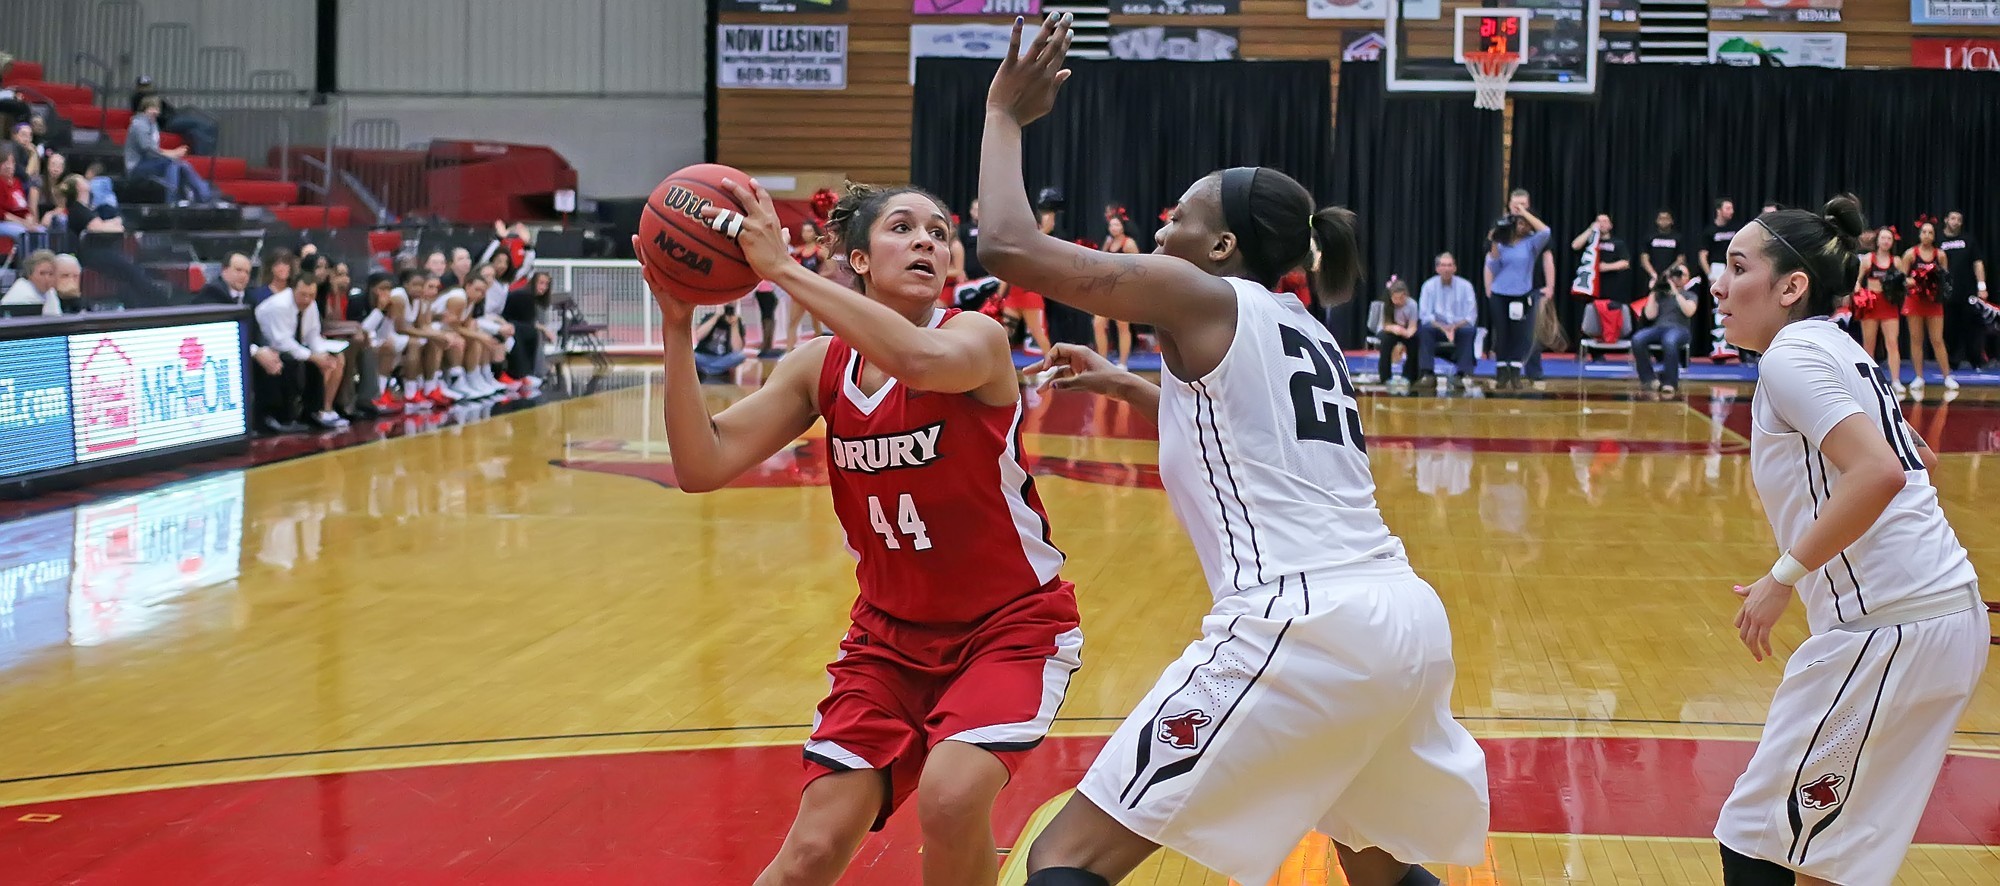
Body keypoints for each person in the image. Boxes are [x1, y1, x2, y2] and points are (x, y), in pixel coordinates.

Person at [986, 15, 1486, 886]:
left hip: (1301, 620)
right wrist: (1129, 386)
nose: (1162, 225)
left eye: (1179, 215)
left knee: (1066, 858)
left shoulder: (1198, 293)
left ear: (1221, 248)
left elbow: (1007, 248)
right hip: (1402, 620)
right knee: (1376, 868)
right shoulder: (1306, 331)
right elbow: (1257, 442)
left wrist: (1002, 116)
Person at [632, 174, 1083, 885]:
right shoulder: (819, 366)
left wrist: (782, 270)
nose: (927, 241)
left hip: (1008, 628)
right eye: (903, 228)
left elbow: (919, 361)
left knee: (951, 794)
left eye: (939, 232)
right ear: (862, 260)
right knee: (809, 853)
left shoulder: (976, 338)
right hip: (888, 642)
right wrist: (678, 327)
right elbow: (701, 463)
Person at [1709, 194, 1985, 886]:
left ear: (1791, 286)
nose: (1719, 284)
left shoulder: (1791, 357)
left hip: (1893, 629)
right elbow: (1921, 458)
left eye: (1738, 267)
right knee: (1829, 858)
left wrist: (1784, 575)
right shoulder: (1840, 347)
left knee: (1757, 838)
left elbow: (1881, 471)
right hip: (1933, 620)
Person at [254, 275, 347, 430]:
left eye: (311, 295)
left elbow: (313, 336)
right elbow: (282, 342)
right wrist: (313, 356)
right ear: (292, 290)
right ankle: (284, 418)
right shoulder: (280, 305)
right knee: (290, 359)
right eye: (303, 294)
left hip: (291, 344)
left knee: (328, 359)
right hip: (264, 345)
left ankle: (316, 411)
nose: (307, 299)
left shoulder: (311, 305)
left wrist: (322, 354)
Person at [1487, 207, 1552, 390]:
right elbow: (1493, 263)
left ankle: (1515, 373)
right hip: (1500, 293)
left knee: (1520, 335)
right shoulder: (1502, 243)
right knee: (1502, 334)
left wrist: (1523, 212)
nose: (1522, 226)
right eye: (1519, 223)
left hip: (1521, 294)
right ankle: (1501, 373)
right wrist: (1494, 240)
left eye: (1525, 223)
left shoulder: (1531, 243)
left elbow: (1546, 231)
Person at [1898, 218, 1957, 396]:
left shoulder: (1940, 255)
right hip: (1915, 300)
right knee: (1916, 339)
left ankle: (1947, 376)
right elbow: (1901, 278)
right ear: (1919, 234)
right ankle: (1918, 376)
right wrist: (1915, 282)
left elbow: (1945, 279)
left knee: (1937, 339)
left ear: (1934, 236)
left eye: (1930, 232)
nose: (1927, 235)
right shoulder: (1910, 254)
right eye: (1924, 232)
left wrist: (1934, 285)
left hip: (1933, 302)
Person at [1852, 227, 1905, 397]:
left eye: (1889, 238)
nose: (1886, 241)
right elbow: (1857, 282)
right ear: (1878, 240)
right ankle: (1870, 382)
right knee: (1869, 345)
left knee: (1892, 343)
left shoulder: (1896, 261)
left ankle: (1895, 381)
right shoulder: (1868, 259)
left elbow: (1902, 284)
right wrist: (1860, 294)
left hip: (1888, 305)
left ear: (1892, 242)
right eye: (1883, 238)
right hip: (1871, 305)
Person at [1631, 263, 1696, 398]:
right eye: (1676, 274)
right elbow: (1650, 315)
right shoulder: (1660, 295)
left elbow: (1689, 311)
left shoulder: (1689, 294)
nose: (1678, 278)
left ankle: (1670, 382)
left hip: (1679, 330)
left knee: (1669, 341)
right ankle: (1649, 379)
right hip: (1658, 328)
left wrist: (1676, 292)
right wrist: (1654, 291)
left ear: (1687, 279)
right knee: (1637, 339)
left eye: (1682, 275)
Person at [1419, 251, 1480, 389]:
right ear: (1437, 268)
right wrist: (1443, 328)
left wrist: (1453, 327)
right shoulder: (1428, 286)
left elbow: (1471, 316)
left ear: (1455, 268)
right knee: (1425, 329)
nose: (1446, 268)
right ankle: (1427, 373)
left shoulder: (1466, 286)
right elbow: (1425, 315)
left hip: (1458, 327)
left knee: (1469, 330)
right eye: (1443, 265)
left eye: (1450, 265)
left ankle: (1462, 374)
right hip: (1437, 327)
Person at [1936, 210, 1988, 370]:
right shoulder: (1938, 240)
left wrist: (1982, 286)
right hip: (1946, 293)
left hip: (1968, 291)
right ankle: (1952, 362)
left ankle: (1976, 361)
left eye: (1959, 219)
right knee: (1949, 328)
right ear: (1946, 220)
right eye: (1953, 218)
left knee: (1972, 326)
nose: (1956, 222)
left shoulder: (1968, 239)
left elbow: (1977, 262)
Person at [1093, 210, 1140, 367]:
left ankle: (1122, 363)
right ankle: (1102, 362)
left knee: (1122, 326)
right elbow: (1099, 264)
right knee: (1098, 324)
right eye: (1111, 225)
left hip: (1122, 290)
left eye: (1117, 224)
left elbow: (1138, 267)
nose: (1113, 228)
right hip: (1106, 290)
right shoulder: (1108, 242)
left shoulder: (1129, 243)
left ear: (1122, 226)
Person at [1701, 198, 1742, 360]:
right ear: (1719, 210)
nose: (1731, 211)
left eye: (1732, 208)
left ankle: (1734, 345)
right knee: (1719, 306)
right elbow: (1702, 255)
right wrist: (1710, 274)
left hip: (1734, 268)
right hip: (1717, 268)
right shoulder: (1710, 231)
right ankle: (1718, 345)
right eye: (1728, 208)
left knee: (1735, 305)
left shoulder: (1736, 229)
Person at [1375, 277, 1419, 392]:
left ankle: (1409, 376)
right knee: (1385, 342)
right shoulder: (1386, 304)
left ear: (1406, 295)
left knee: (1415, 342)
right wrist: (1395, 328)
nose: (1398, 301)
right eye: (1396, 298)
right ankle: (1385, 377)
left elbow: (1413, 325)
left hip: (1405, 330)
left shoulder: (1412, 305)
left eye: (1401, 298)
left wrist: (1409, 332)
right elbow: (1384, 325)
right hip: (1389, 330)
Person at [1, 249, 58, 316]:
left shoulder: (50, 292)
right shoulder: (23, 293)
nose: (47, 278)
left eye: (51, 274)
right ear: (30, 274)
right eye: (42, 273)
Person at [1642, 210, 1685, 290]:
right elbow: (1644, 258)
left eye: (1666, 218)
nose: (1663, 221)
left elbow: (1681, 259)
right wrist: (1652, 273)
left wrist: (1669, 271)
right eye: (1661, 219)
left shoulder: (1678, 238)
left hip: (1672, 276)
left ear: (1672, 221)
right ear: (1656, 221)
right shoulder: (1650, 237)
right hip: (1652, 276)